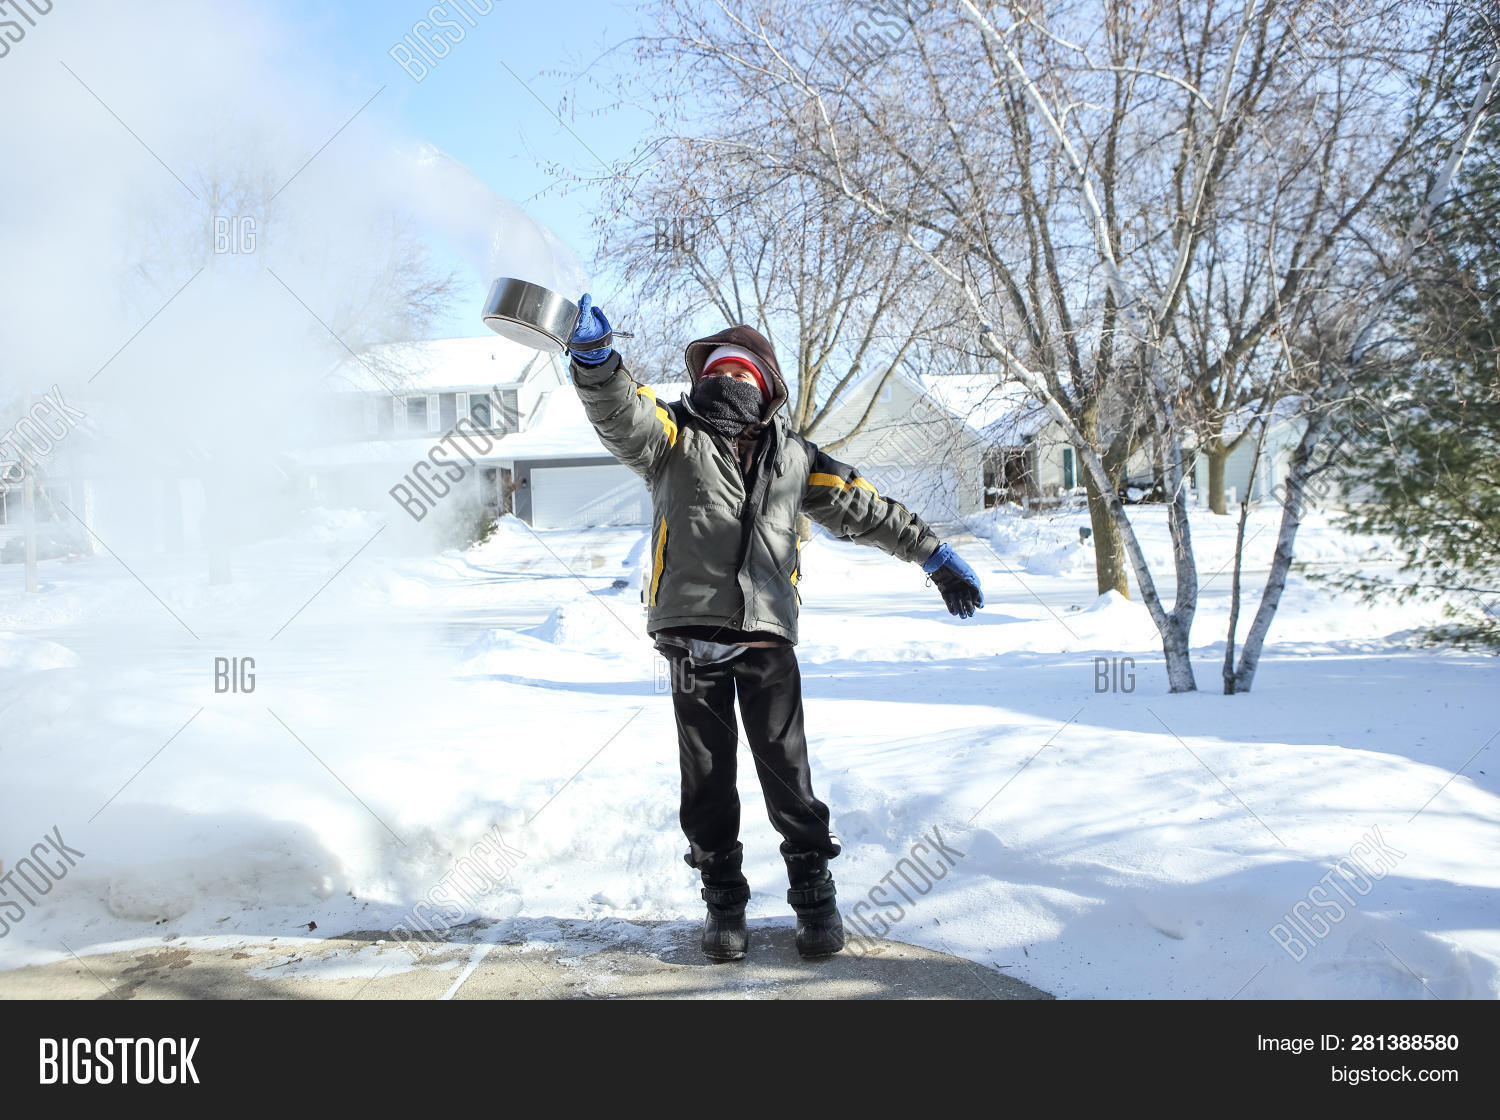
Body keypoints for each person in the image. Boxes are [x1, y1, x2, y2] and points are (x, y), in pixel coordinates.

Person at [565, 294, 984, 961]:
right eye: (719, 371)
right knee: (706, 777)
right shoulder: (671, 436)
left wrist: (931, 555)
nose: (729, 379)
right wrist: (597, 363)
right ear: (703, 378)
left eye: (741, 372)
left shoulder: (795, 457)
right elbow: (620, 414)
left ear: (764, 384)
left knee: (788, 773)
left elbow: (864, 507)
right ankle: (723, 903)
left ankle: (814, 899)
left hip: (766, 637)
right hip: (692, 637)